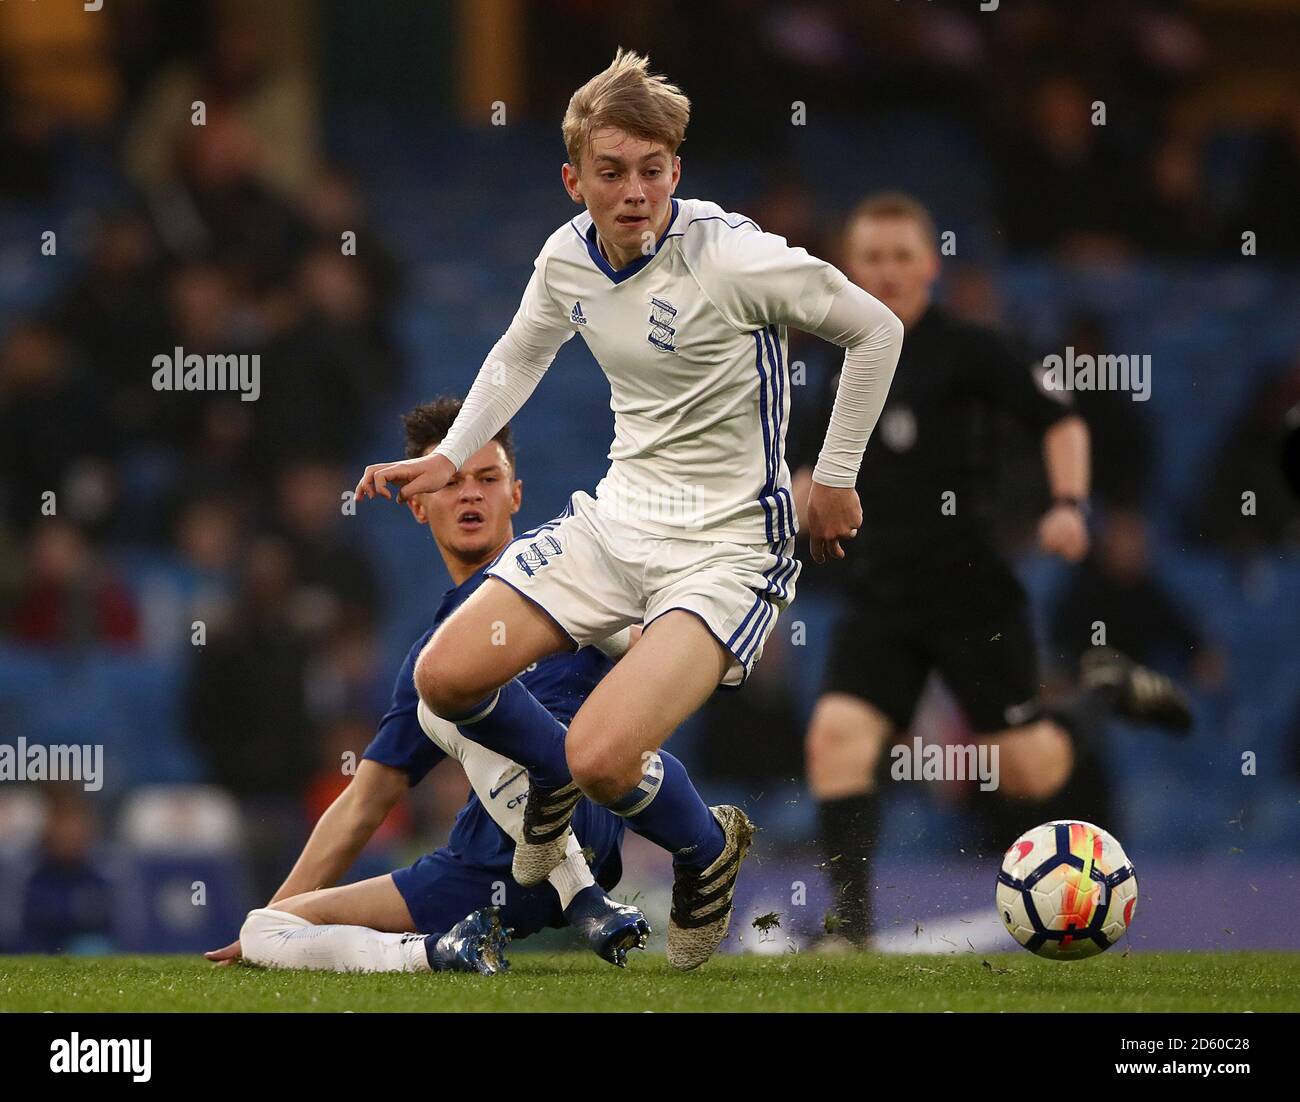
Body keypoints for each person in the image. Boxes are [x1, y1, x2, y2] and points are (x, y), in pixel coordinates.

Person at [353, 50, 904, 970]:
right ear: (575, 179)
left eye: (653, 170)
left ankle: (704, 850)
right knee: (443, 679)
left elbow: (875, 328)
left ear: (676, 173)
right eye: (611, 172)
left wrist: (837, 475)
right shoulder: (567, 256)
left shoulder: (733, 256)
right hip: (617, 525)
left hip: (727, 549)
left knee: (604, 760)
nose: (635, 190)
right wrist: (446, 458)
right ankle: (551, 793)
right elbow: (520, 356)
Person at [793, 193, 1190, 947]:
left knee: (1029, 773)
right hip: (880, 594)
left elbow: (1060, 417)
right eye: (872, 258)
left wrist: (1069, 504)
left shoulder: (971, 348)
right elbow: (811, 471)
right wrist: (802, 497)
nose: (886, 272)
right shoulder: (835, 362)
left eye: (901, 256)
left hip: (970, 593)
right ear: (850, 267)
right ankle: (851, 927)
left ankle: (1102, 691)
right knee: (835, 739)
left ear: (929, 265)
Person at [205, 398, 649, 975]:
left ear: (515, 494)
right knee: (266, 927)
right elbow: (365, 800)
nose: (470, 494)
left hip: (576, 817)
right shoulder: (432, 659)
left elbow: (656, 654)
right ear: (417, 503)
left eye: (488, 478)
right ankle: (446, 949)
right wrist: (280, 914)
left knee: (453, 698)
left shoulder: (576, 586)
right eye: (451, 482)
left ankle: (565, 892)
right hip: (482, 870)